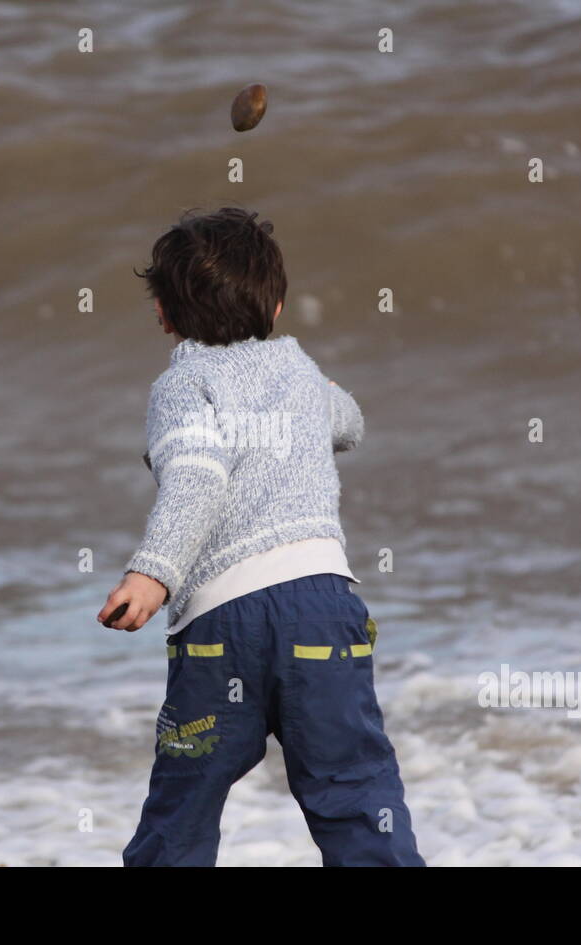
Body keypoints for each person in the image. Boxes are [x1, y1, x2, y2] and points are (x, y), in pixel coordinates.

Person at [98, 206, 424, 867]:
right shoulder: (300, 371)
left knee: (184, 804)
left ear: (163, 312)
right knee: (355, 789)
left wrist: (152, 572)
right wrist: (314, 390)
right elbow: (351, 424)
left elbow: (196, 479)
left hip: (227, 624)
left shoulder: (183, 384)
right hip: (324, 610)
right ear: (276, 307)